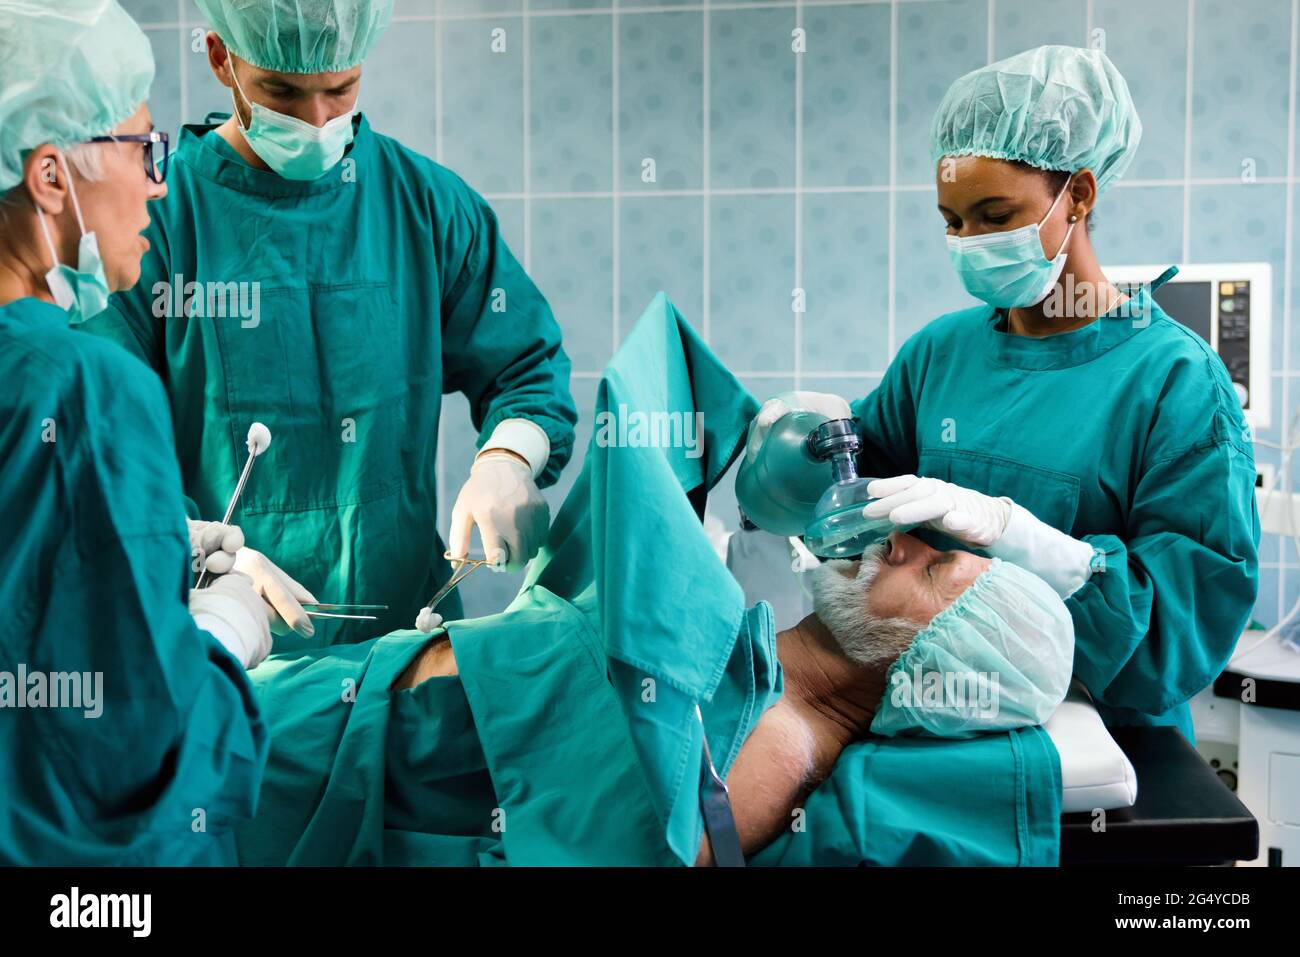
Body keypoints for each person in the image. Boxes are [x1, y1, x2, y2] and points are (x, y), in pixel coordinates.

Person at [235, 294, 1072, 867]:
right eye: (926, 540)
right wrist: (740, 491)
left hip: (317, 752)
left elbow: (637, 825)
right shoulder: (763, 664)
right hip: (339, 695)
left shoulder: (779, 745)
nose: (901, 545)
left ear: (930, 666)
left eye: (935, 568)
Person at [744, 45, 1259, 741]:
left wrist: (1024, 540)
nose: (968, 241)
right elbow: (854, 499)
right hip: (931, 722)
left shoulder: (1175, 381)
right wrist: (800, 448)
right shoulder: (941, 353)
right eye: (952, 220)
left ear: (1078, 194)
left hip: (1100, 754)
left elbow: (1184, 633)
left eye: (993, 214)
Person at [81, 0, 578, 648]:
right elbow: (98, 439)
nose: (316, 120)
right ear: (221, 59)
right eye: (282, 92)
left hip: (402, 655)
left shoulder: (423, 205)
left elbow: (525, 364)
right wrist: (188, 560)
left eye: (339, 89)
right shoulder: (154, 222)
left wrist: (510, 456)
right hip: (221, 649)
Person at [0, 0, 272, 864]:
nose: (162, 180)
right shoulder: (91, 388)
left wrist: (151, 556)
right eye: (145, 148)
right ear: (52, 177)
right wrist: (219, 637)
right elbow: (149, 746)